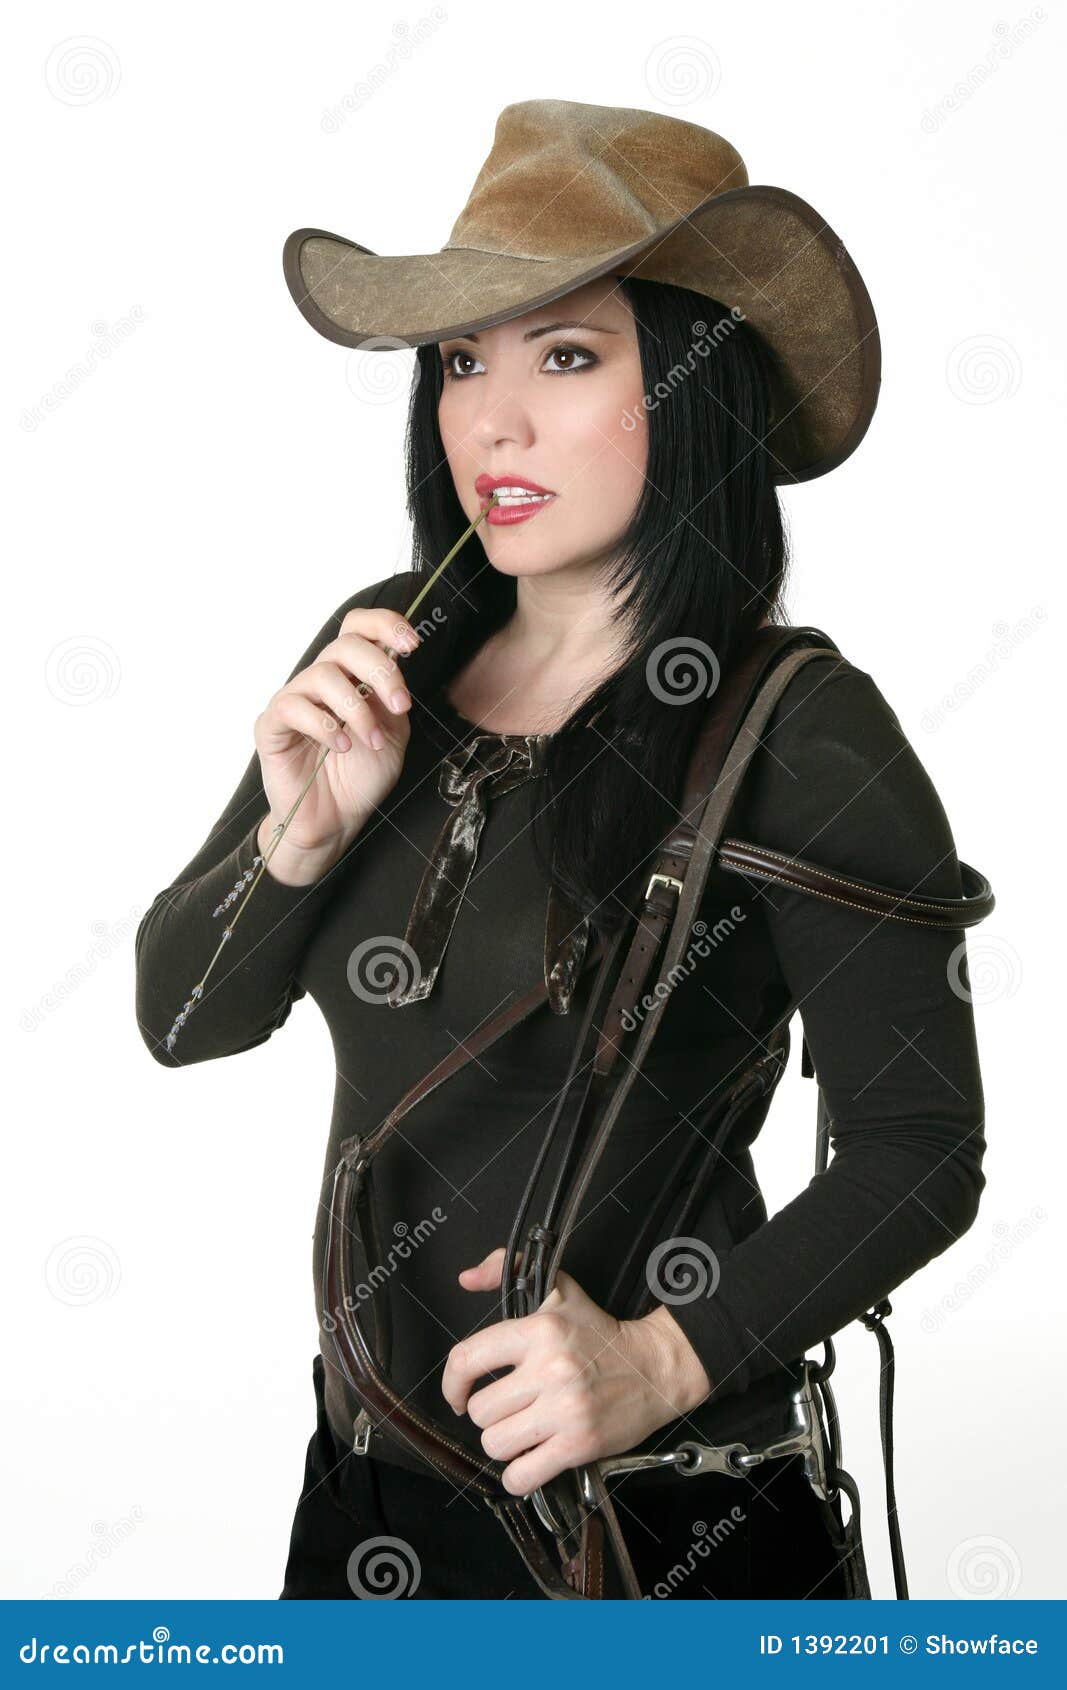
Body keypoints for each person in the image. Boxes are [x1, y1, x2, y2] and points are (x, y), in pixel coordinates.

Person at [135, 101, 988, 1600]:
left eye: (568, 356)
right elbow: (184, 1015)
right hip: (365, 1510)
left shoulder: (797, 724)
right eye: (465, 360)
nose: (492, 421)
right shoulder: (391, 647)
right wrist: (299, 833)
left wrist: (669, 1353)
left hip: (662, 1538)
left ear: (694, 381)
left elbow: (922, 1151)